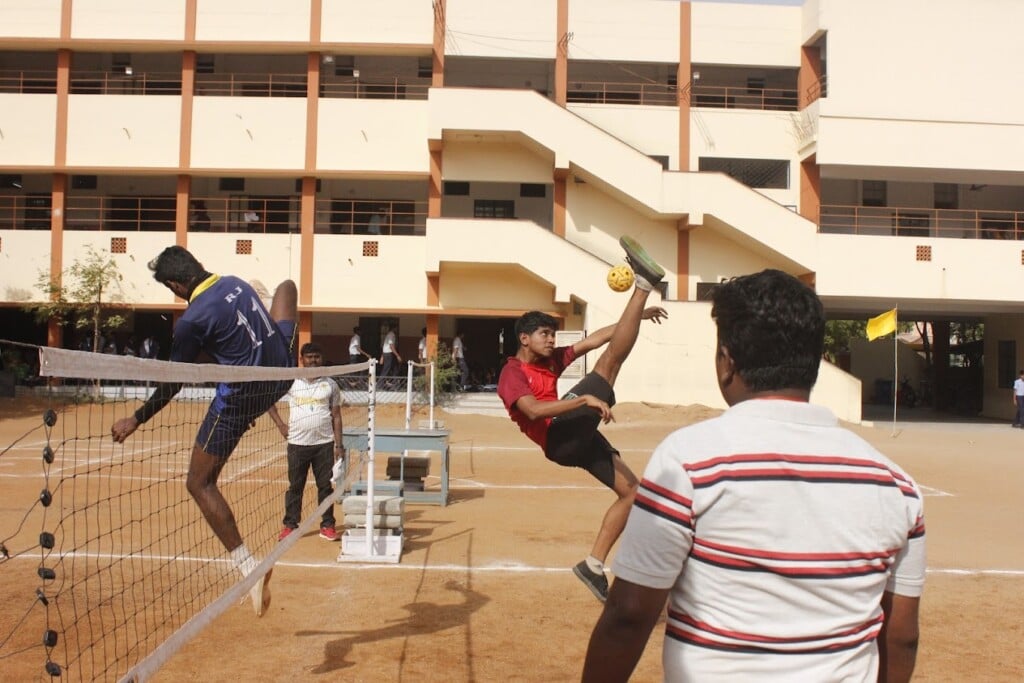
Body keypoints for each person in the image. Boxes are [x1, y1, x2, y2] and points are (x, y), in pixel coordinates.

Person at [582, 269, 926, 683]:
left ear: (727, 362)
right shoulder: (897, 485)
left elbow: (628, 616)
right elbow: (901, 637)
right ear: (813, 361)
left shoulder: (688, 459)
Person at [110, 245, 297, 618]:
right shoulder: (235, 282)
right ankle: (270, 344)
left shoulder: (192, 320)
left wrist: (137, 418)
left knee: (199, 482)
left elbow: (174, 382)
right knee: (288, 286)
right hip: (282, 372)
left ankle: (249, 571)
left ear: (177, 284)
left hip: (243, 396)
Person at [497, 236, 667, 602]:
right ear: (524, 338)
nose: (551, 340)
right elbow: (533, 410)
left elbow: (598, 339)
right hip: (558, 437)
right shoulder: (512, 373)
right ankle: (642, 285)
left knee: (633, 493)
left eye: (552, 334)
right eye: (544, 334)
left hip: (574, 439)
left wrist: (636, 315)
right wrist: (585, 400)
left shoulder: (549, 359)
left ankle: (592, 565)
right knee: (609, 365)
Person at [267, 343, 343, 542]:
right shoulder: (292, 381)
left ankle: (327, 525)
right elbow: (268, 401)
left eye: (317, 356)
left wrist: (339, 444)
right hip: (297, 444)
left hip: (324, 444)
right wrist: (281, 425)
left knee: (325, 487)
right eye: (309, 357)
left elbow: (336, 416)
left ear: (322, 359)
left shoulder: (330, 384)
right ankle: (290, 525)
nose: (313, 360)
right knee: (295, 486)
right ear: (302, 360)